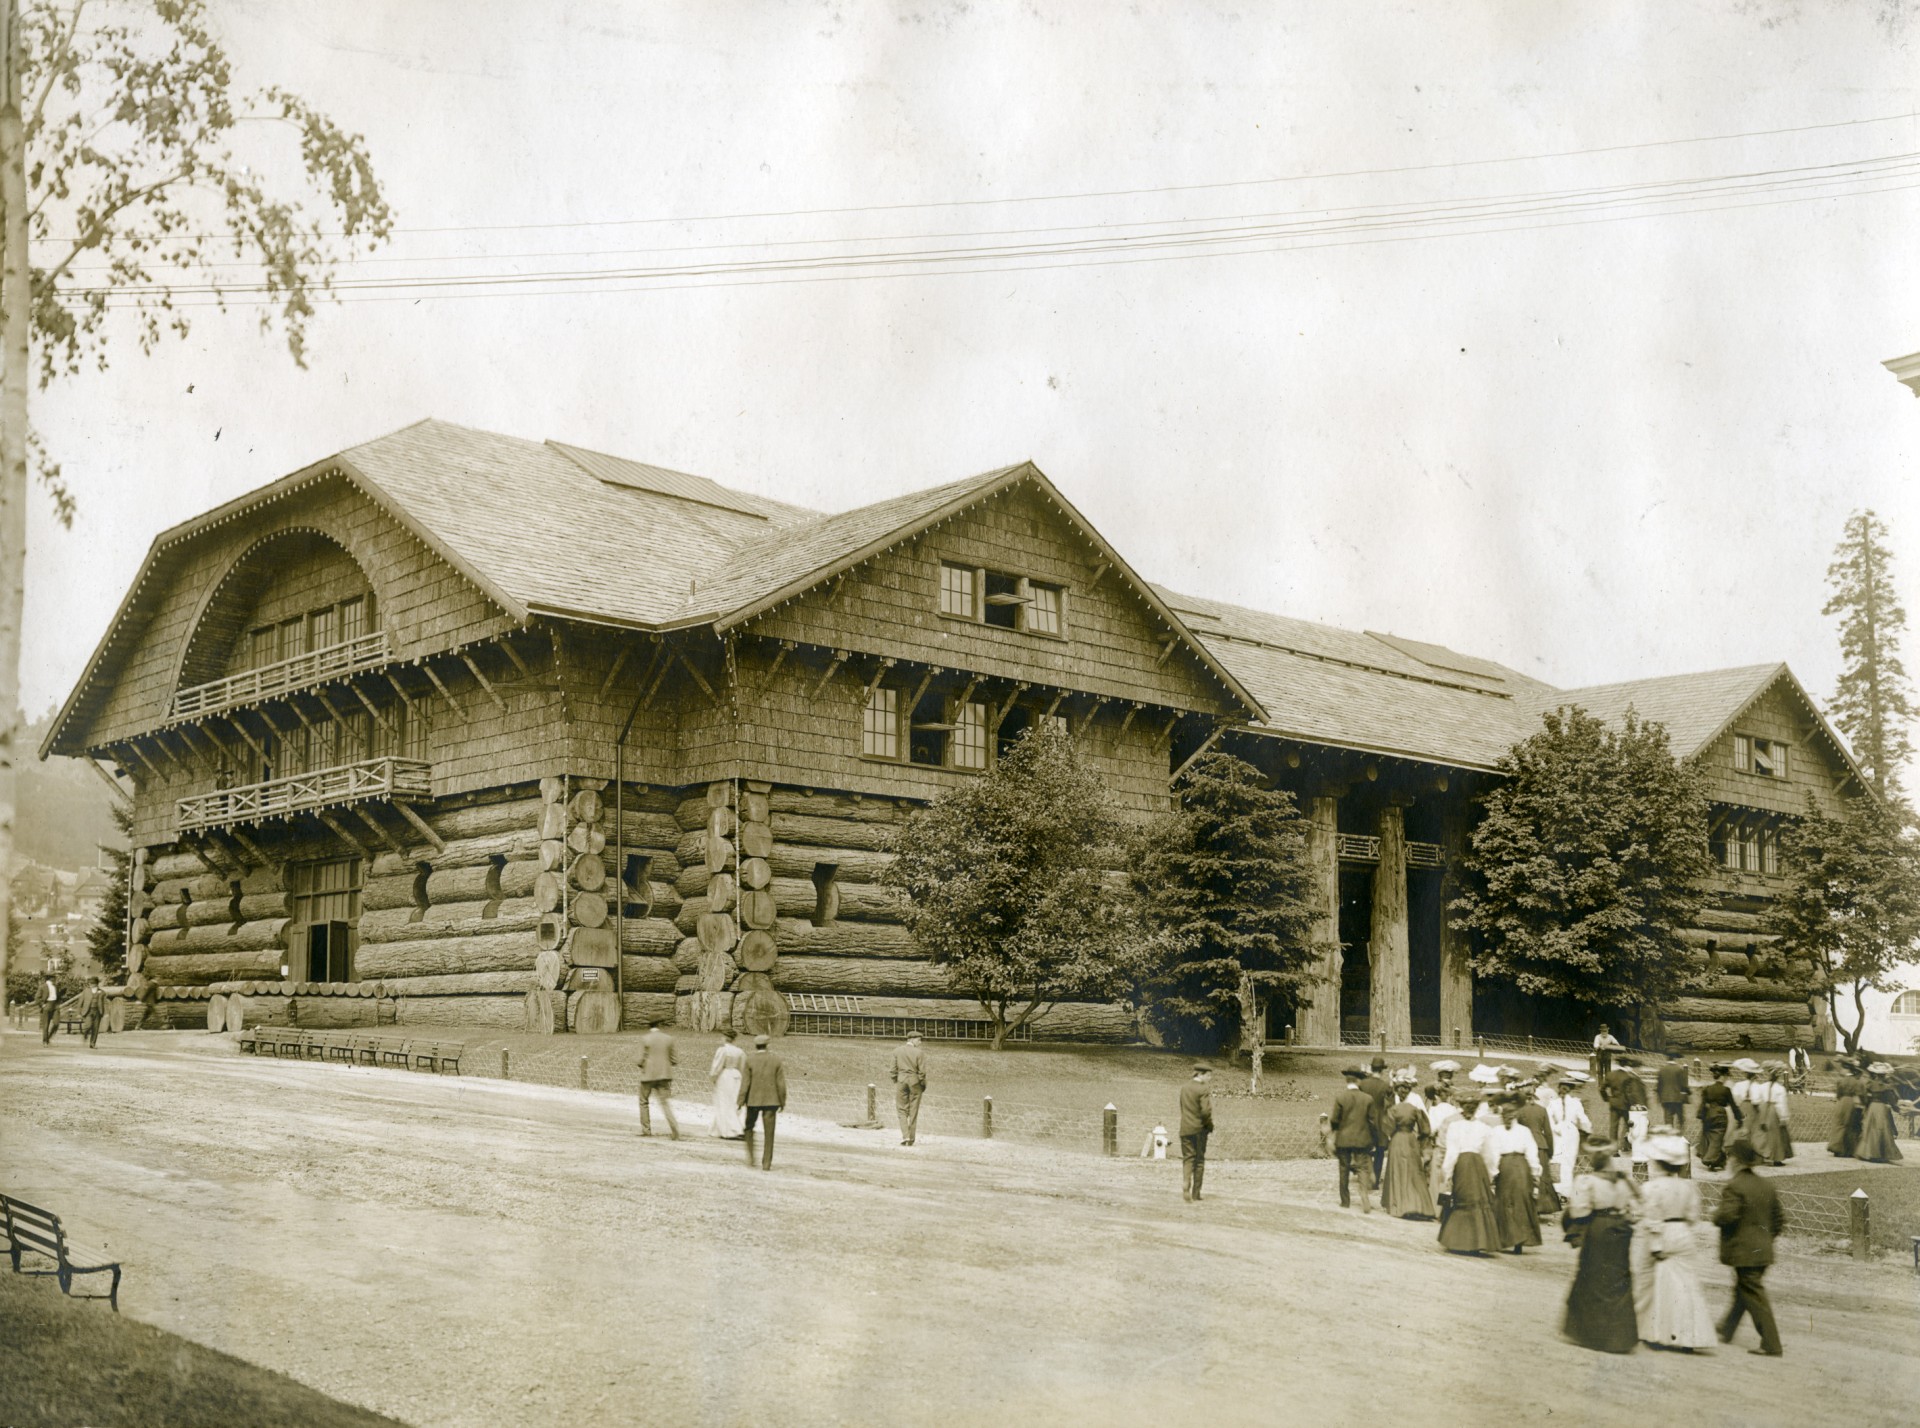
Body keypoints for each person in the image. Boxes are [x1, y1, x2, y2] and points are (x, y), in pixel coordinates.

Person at [1632, 1134, 1717, 1351]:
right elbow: (1693, 1215)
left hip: (1664, 1232)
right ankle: (1689, 1335)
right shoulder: (1688, 1186)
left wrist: (1657, 1244)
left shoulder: (1653, 1188)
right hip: (1683, 1233)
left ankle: (1659, 1333)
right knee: (1686, 1285)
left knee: (1661, 1284)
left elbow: (1651, 1218)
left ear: (1658, 1163)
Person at [1562, 1138, 1640, 1353]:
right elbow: (1634, 1209)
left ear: (1595, 1158)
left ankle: (1591, 1334)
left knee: (1593, 1275)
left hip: (1599, 1229)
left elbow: (1579, 1210)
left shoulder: (1587, 1181)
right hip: (1621, 1230)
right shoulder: (1624, 1180)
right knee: (1618, 1277)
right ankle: (1618, 1337)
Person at [1713, 1140, 1786, 1356]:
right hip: (1763, 1250)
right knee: (1743, 1290)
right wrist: (1764, 1239)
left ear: (1735, 1160)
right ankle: (1727, 1329)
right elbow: (1779, 1220)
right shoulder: (1766, 1185)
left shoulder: (1734, 1186)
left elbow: (1727, 1216)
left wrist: (1714, 1215)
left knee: (1752, 1294)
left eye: (1729, 1158)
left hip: (1744, 1251)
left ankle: (1771, 1344)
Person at [1436, 1093, 1501, 1255]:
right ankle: (1477, 1240)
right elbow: (1490, 1154)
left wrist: (1447, 1173)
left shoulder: (1455, 1126)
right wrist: (1491, 1173)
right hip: (1477, 1165)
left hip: (1463, 1164)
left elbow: (1452, 1153)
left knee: (1462, 1199)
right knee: (1477, 1200)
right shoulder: (1484, 1128)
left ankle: (1460, 1240)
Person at [1488, 1096, 1544, 1254]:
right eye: (1505, 1115)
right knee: (1507, 1201)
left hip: (1519, 1168)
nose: (1508, 1118)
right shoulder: (1497, 1131)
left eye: (1511, 1115)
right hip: (1508, 1168)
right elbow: (1493, 1154)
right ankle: (1508, 1239)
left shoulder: (1523, 1131)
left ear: (1515, 1116)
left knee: (1517, 1201)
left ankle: (1517, 1240)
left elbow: (1532, 1153)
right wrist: (1494, 1173)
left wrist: (1534, 1173)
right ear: (1501, 1116)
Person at [1329, 1066, 1381, 1212]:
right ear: (1359, 1081)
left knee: (1344, 1168)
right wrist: (1375, 1140)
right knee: (1363, 1167)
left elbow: (1334, 1120)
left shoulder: (1340, 1098)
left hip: (1344, 1140)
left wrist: (1334, 1133)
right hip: (1362, 1139)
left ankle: (1345, 1201)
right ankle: (1364, 1194)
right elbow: (1372, 1123)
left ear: (1347, 1080)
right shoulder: (1368, 1099)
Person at [1381, 1083, 1435, 1219]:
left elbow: (1388, 1128)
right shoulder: (1415, 1109)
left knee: (1398, 1170)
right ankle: (1416, 1203)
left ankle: (1399, 1203)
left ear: (1398, 1094)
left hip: (1398, 1140)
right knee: (1414, 1171)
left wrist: (1392, 1134)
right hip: (1411, 1140)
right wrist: (1420, 1138)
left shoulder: (1394, 1109)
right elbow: (1425, 1129)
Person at [738, 1033, 787, 1170]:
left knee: (748, 1128)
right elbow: (781, 1085)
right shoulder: (776, 1060)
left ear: (756, 1045)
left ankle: (751, 1159)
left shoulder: (750, 1060)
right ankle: (766, 1164)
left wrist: (740, 1101)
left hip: (753, 1101)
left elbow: (745, 1083)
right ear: (767, 1045)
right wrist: (782, 1102)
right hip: (772, 1102)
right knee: (769, 1133)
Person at [1514, 1084, 1559, 1215]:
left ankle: (1527, 1208)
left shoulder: (1519, 1110)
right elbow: (1548, 1132)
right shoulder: (1541, 1110)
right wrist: (1550, 1150)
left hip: (1524, 1146)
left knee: (1526, 1176)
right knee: (1542, 1176)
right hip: (1541, 1145)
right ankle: (1542, 1207)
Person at [1547, 1076, 1593, 1196]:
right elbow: (1583, 1120)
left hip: (1559, 1131)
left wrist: (1554, 1129)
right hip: (1569, 1131)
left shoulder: (1553, 1103)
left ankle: (1559, 1189)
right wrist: (1588, 1130)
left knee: (1558, 1159)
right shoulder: (1575, 1103)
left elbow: (1548, 1120)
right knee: (1567, 1160)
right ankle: (1564, 1190)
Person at [634, 1019, 679, 1139]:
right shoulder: (669, 1039)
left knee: (643, 1102)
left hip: (648, 1076)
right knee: (664, 1103)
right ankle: (674, 1130)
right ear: (659, 1024)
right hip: (664, 1076)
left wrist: (643, 1065)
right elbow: (674, 1060)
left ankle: (646, 1130)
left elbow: (639, 1060)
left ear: (649, 1025)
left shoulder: (645, 1039)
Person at [1856, 1063, 1904, 1164]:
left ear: (1875, 1074)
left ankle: (1867, 1153)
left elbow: (1865, 1098)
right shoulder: (1887, 1087)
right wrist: (1898, 1109)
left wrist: (1866, 1105)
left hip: (1872, 1107)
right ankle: (1878, 1154)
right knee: (1881, 1130)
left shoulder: (1870, 1085)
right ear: (1885, 1075)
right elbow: (1892, 1101)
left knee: (1870, 1129)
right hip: (1881, 1108)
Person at [1179, 1064, 1214, 1202]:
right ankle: (1196, 1193)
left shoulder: (1184, 1087)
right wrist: (1209, 1125)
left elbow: (1182, 1107)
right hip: (1199, 1129)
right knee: (1199, 1161)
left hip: (1185, 1128)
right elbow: (1205, 1111)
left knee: (1188, 1158)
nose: (1210, 1078)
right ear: (1200, 1074)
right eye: (1208, 1075)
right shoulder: (1203, 1088)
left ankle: (1186, 1183)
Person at [1358, 1057, 1394, 1185]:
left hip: (1364, 1117)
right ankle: (1375, 1180)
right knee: (1379, 1151)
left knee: (1364, 1149)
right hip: (1379, 1119)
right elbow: (1391, 1104)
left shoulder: (1362, 1084)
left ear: (1371, 1068)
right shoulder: (1385, 1086)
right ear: (1382, 1070)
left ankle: (1363, 1176)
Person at [1750, 1064, 1792, 1166]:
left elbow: (1756, 1099)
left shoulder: (1762, 1086)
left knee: (1761, 1132)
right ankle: (1776, 1158)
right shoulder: (1780, 1088)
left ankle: (1760, 1155)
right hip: (1773, 1109)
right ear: (1778, 1076)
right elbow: (1781, 1104)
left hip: (1763, 1108)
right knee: (1775, 1134)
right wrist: (1783, 1117)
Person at [891, 1030, 928, 1147]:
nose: (920, 1042)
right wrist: (922, 1084)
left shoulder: (897, 1051)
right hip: (915, 1082)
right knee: (913, 1110)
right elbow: (922, 1072)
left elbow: (893, 1070)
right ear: (911, 1039)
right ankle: (911, 1138)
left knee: (901, 1110)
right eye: (918, 1040)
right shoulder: (919, 1053)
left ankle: (905, 1136)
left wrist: (896, 1080)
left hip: (901, 1081)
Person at [1697, 1064, 1735, 1171]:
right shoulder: (1726, 1090)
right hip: (1720, 1115)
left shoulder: (1707, 1089)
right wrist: (1740, 1117)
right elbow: (1733, 1105)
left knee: (1710, 1137)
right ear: (1723, 1076)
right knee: (1718, 1138)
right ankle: (1710, 1159)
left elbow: (1703, 1104)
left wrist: (1701, 1116)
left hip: (1708, 1115)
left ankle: (1720, 1160)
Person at [709, 1030, 746, 1140]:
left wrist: (713, 1077)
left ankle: (732, 1130)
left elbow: (717, 1066)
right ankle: (719, 1129)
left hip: (725, 1076)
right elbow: (742, 1067)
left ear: (725, 1038)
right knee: (733, 1101)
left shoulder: (723, 1050)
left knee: (724, 1101)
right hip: (736, 1076)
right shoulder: (740, 1051)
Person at [1826, 1057, 1863, 1159]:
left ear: (1847, 1069)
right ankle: (1848, 1150)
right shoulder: (1856, 1081)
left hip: (1841, 1102)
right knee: (1850, 1125)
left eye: (1843, 1068)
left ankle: (1837, 1149)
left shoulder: (1841, 1081)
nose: (1842, 1070)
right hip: (1851, 1102)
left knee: (1839, 1124)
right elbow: (1859, 1093)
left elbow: (1838, 1094)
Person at [1655, 1050, 1690, 1133]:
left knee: (1668, 1119)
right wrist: (1689, 1092)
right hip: (1677, 1098)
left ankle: (1670, 1135)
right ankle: (1680, 1133)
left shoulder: (1662, 1070)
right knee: (1680, 1118)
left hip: (1666, 1099)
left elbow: (1659, 1086)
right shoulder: (1679, 1070)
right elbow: (1684, 1085)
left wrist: (1660, 1097)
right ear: (1675, 1059)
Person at [76, 977, 106, 1049]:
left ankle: (92, 1043)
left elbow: (104, 1003)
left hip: (98, 1011)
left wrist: (104, 1012)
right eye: (90, 983)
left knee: (95, 1028)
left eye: (92, 983)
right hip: (88, 1011)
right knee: (88, 1026)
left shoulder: (102, 992)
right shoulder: (86, 991)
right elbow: (80, 1002)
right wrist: (78, 1013)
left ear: (96, 984)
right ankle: (85, 1034)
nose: (90, 985)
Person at [37, 972, 60, 1044]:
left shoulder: (55, 986)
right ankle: (45, 1041)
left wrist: (58, 1004)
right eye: (53, 977)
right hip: (47, 1005)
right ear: (50, 978)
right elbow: (37, 997)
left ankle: (49, 1037)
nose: (55, 979)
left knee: (56, 1023)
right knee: (46, 1024)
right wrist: (42, 1005)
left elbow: (58, 996)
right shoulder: (43, 986)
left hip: (55, 1006)